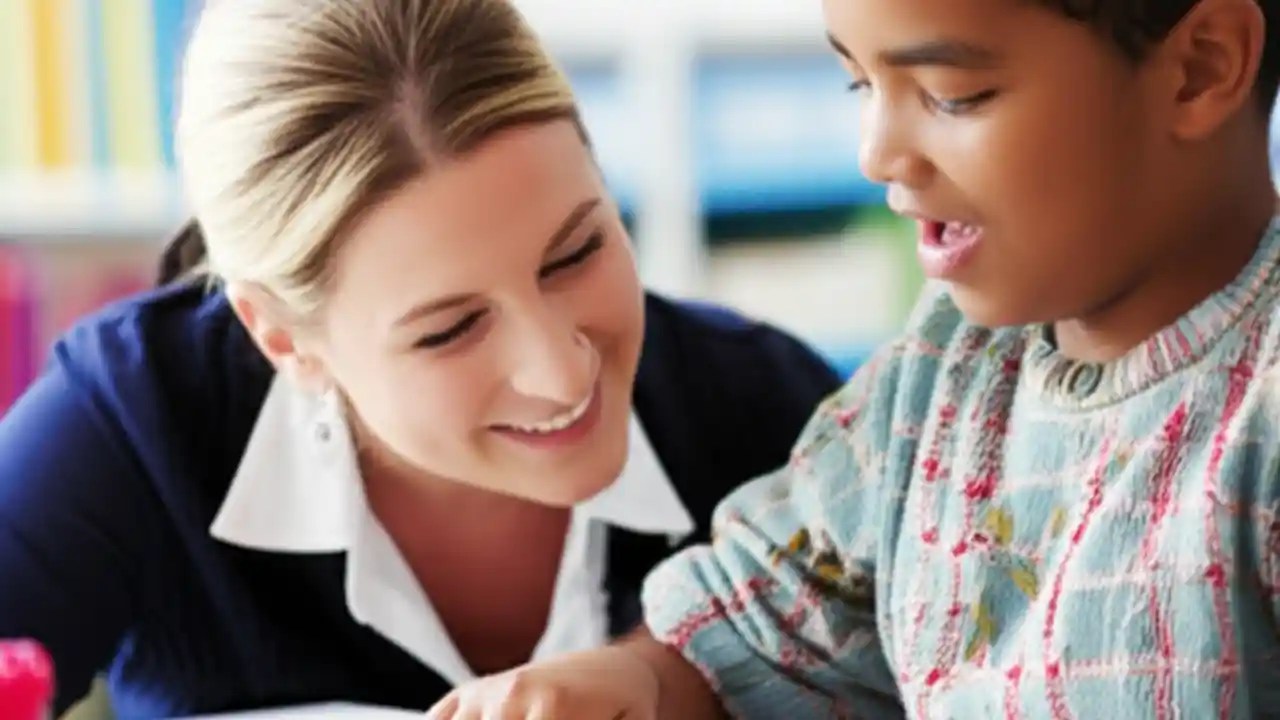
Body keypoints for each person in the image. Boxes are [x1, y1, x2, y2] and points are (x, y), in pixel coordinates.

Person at [426, 0, 1280, 717]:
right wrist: (629, 681)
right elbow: (777, 610)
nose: (877, 152)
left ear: (1201, 68)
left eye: (954, 95)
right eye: (861, 83)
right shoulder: (943, 364)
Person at [0, 0, 843, 716]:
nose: (562, 371)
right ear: (283, 339)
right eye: (450, 329)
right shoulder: (131, 424)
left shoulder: (775, 416)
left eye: (576, 252)